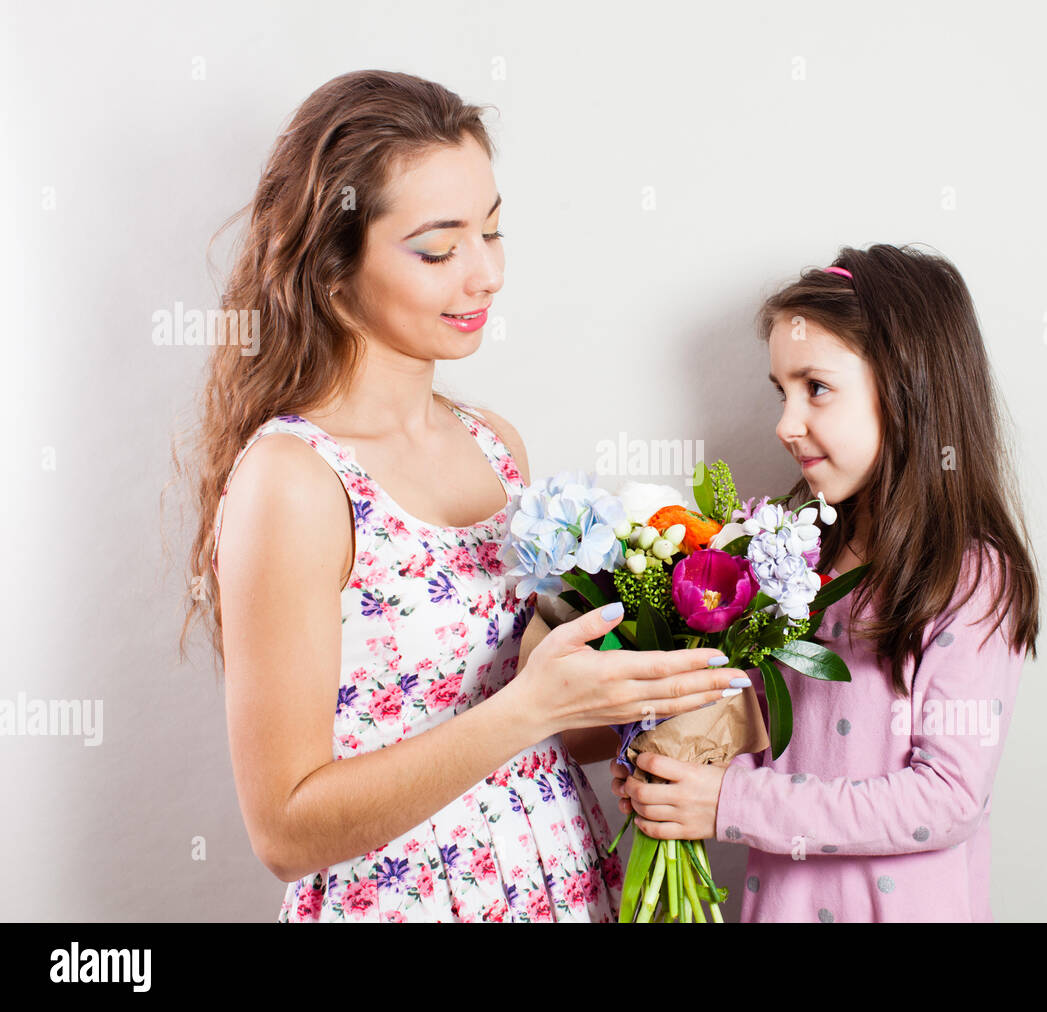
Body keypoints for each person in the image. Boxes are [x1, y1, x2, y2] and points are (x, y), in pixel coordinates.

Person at [179, 69, 744, 922]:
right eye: (440, 249)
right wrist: (531, 710)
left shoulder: (494, 444)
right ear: (333, 271)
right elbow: (286, 831)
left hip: (559, 881)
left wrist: (669, 687)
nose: (486, 275)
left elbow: (539, 726)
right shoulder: (294, 482)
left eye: (493, 231)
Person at [611, 244, 1041, 921]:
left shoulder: (970, 579)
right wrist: (676, 770)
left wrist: (727, 804)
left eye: (816, 388)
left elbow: (948, 798)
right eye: (782, 393)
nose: (785, 424)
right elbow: (767, 734)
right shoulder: (796, 559)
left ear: (908, 390)